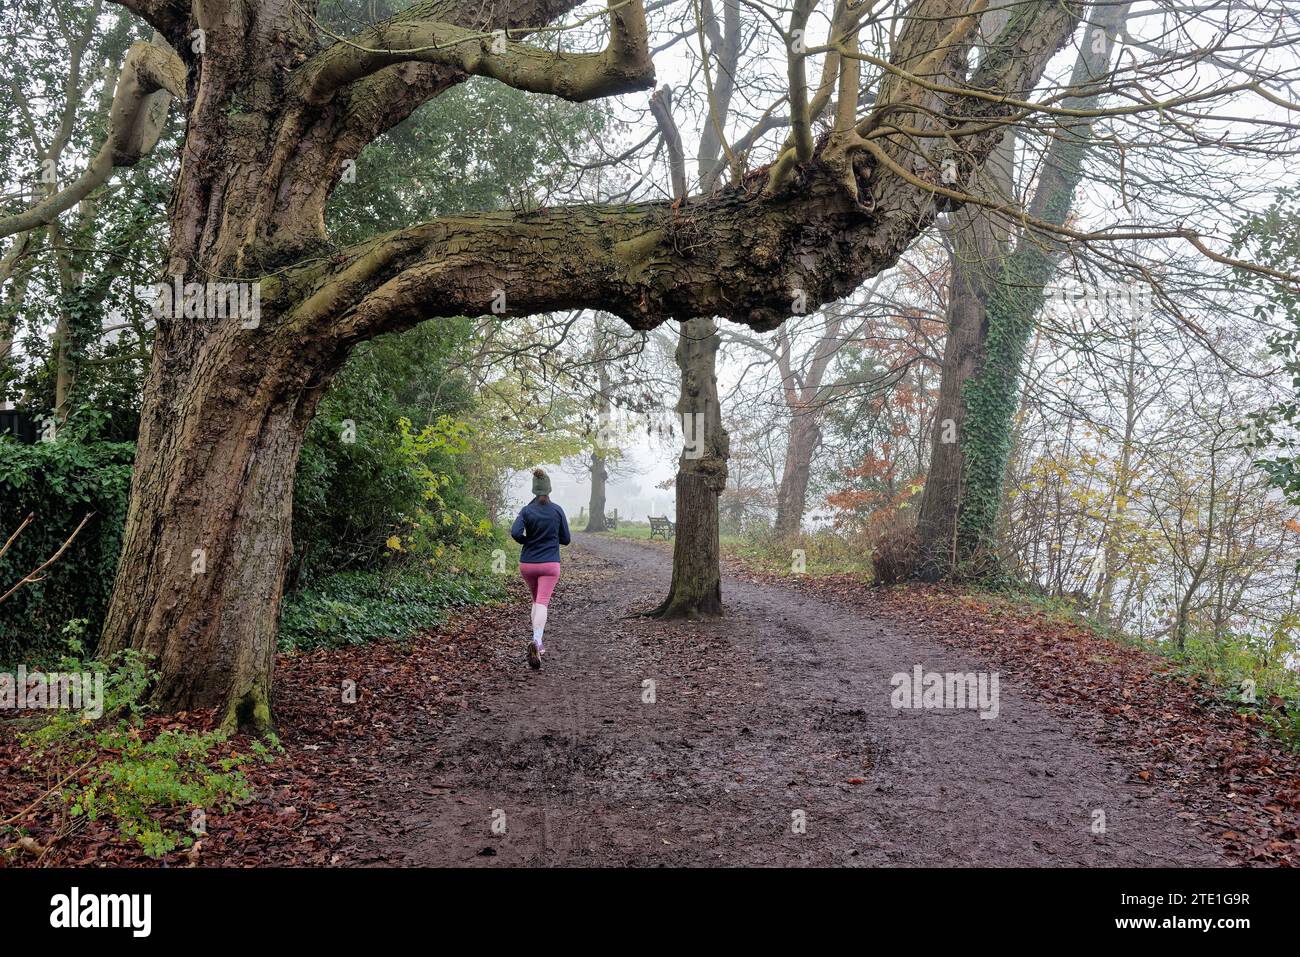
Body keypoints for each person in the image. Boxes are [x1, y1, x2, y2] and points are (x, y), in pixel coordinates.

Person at [510, 468, 570, 670]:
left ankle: (538, 643)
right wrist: (551, 538)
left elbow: (515, 532)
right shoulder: (557, 510)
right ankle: (536, 641)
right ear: (549, 489)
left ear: (533, 490)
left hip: (528, 563)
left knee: (535, 600)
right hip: (550, 563)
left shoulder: (526, 511)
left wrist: (527, 540)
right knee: (543, 601)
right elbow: (566, 539)